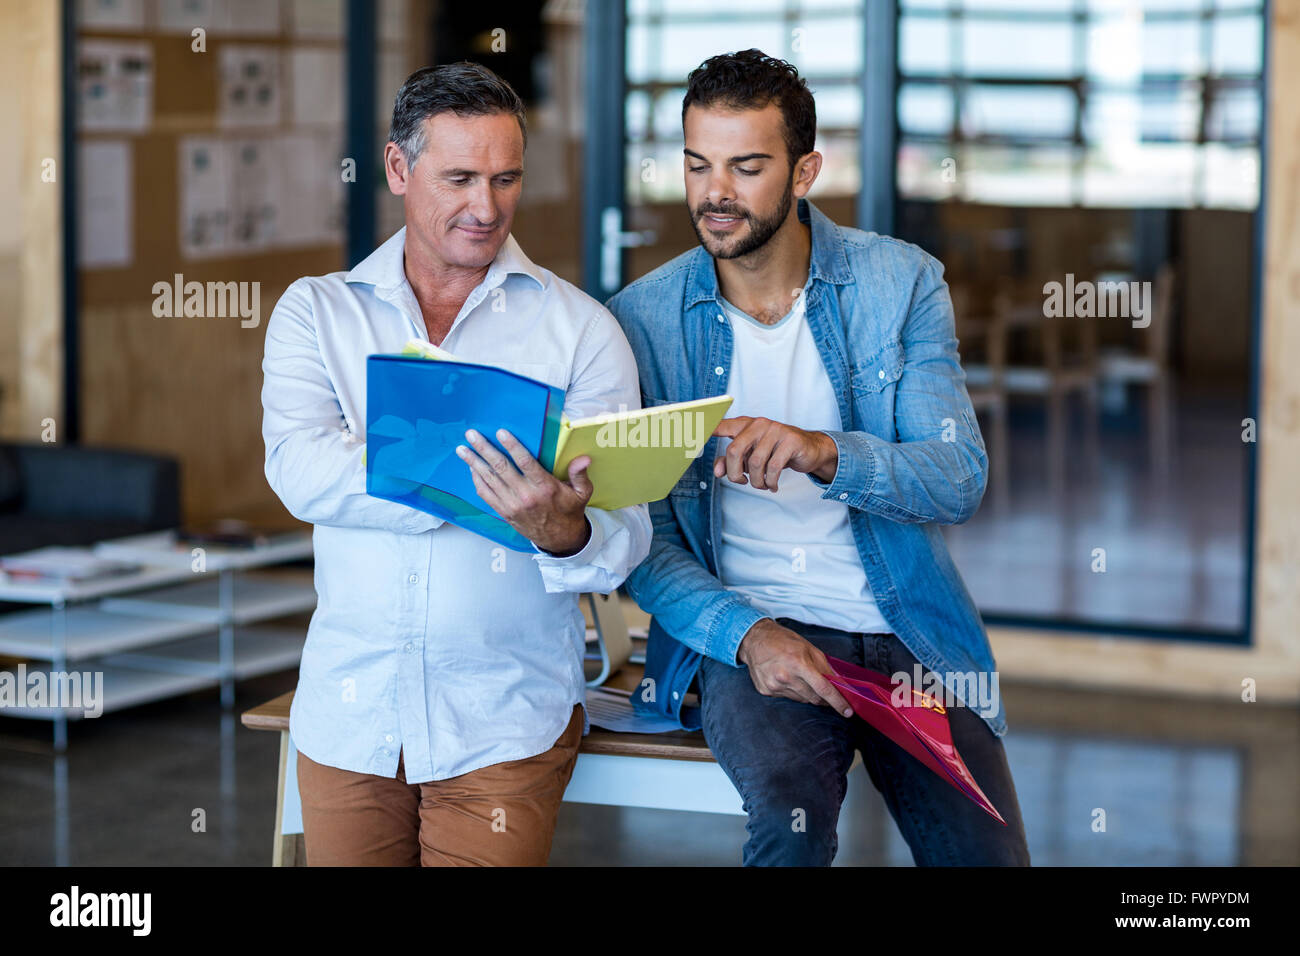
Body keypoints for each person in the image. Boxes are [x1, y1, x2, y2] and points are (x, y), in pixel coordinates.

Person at [606, 50, 1030, 866]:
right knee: (787, 822)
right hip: (754, 627)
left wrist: (824, 453)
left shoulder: (898, 282)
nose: (714, 192)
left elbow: (958, 480)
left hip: (909, 629)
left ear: (805, 171)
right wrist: (749, 633)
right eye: (697, 165)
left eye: (746, 166)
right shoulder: (642, 321)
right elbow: (642, 543)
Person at [261, 62, 650, 866]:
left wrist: (561, 533)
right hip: (350, 713)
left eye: (506, 179)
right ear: (399, 170)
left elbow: (624, 536)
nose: (487, 207)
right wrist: (489, 485)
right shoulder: (317, 312)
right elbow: (302, 472)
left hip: (504, 719)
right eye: (461, 178)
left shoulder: (579, 332)